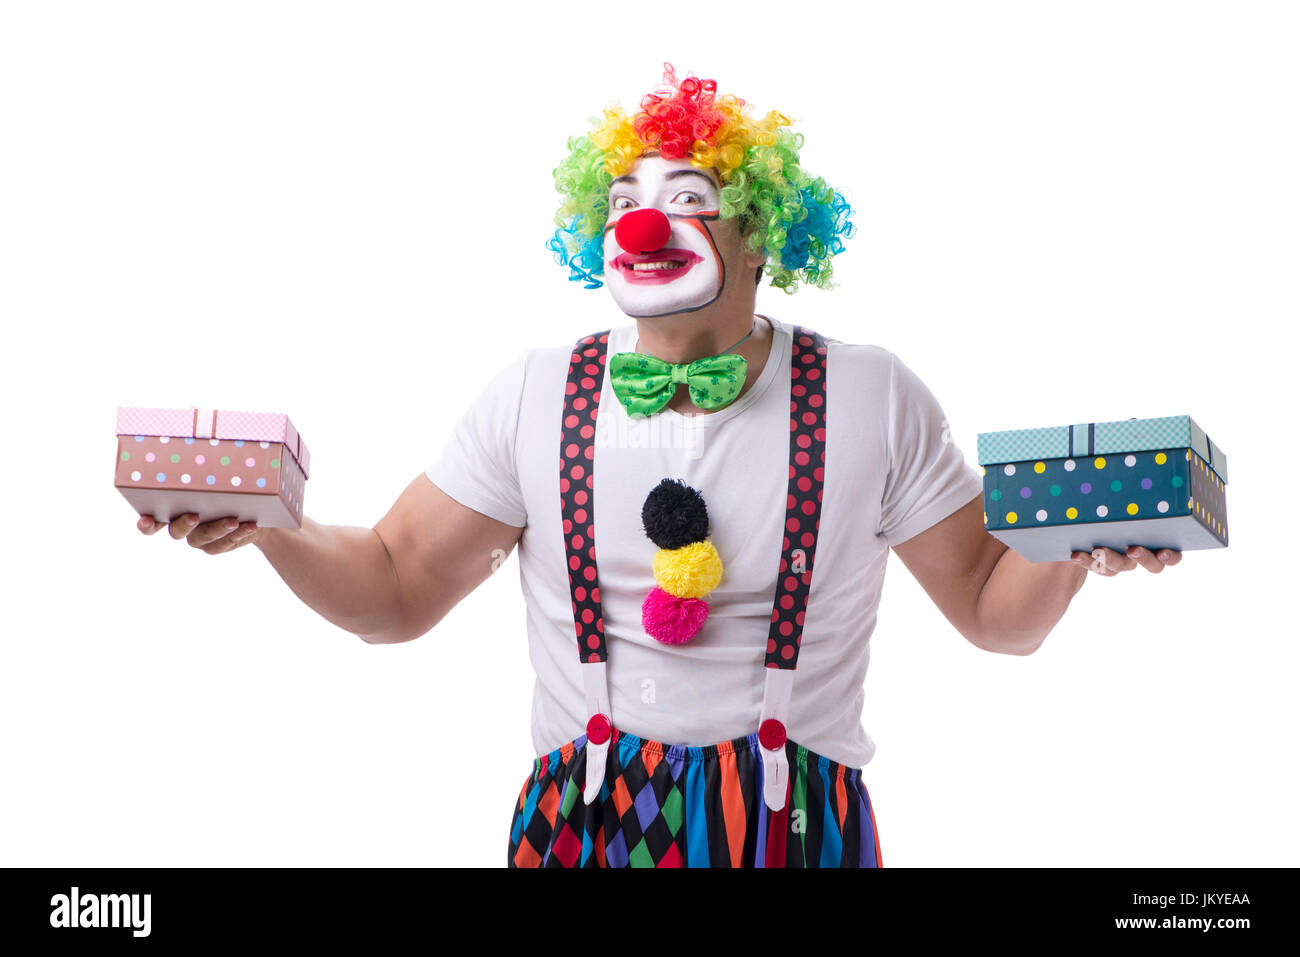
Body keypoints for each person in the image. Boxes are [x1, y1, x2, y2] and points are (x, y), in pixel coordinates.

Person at [136, 64, 1182, 867]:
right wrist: (274, 527)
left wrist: (1077, 542)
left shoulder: (872, 393)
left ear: (763, 233)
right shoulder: (534, 391)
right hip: (581, 815)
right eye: (628, 197)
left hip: (792, 820)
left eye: (686, 195)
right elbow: (396, 592)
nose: (644, 218)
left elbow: (996, 619)